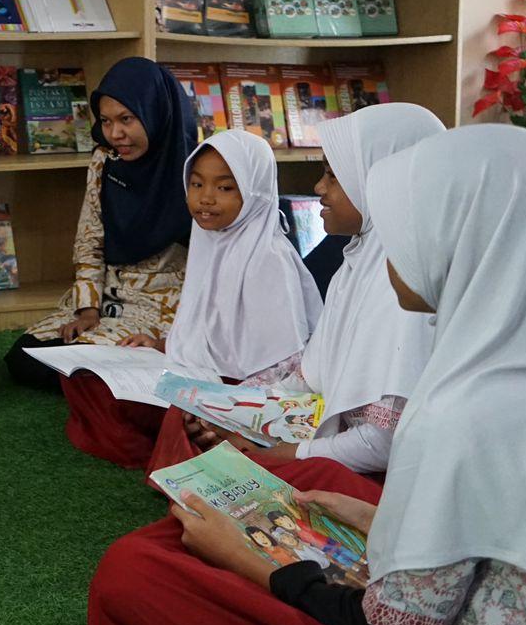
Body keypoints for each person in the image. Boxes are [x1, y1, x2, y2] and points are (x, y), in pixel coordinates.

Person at [89, 126, 526, 625]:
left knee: (134, 572)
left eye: (410, 230)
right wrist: (377, 518)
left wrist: (245, 560)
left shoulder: (462, 411)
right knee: (304, 488)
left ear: (462, 243)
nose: (392, 248)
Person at [152, 104, 441, 477]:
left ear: (379, 181)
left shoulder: (404, 289)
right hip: (320, 441)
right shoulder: (356, 265)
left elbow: (380, 445)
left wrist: (283, 454)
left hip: (371, 477)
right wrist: (229, 411)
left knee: (177, 521)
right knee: (189, 419)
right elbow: (304, 383)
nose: (319, 188)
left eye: (333, 176)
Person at [61, 130, 322, 467]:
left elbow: (286, 364)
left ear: (255, 193)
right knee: (85, 378)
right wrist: (161, 345)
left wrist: (222, 400)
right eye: (196, 184)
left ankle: (176, 445)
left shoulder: (269, 257)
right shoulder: (208, 239)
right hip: (197, 374)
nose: (206, 198)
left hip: (246, 389)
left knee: (185, 413)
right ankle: (166, 441)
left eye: (224, 187)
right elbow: (212, 328)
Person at [4, 58, 194, 391]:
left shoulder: (195, 170)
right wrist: (87, 310)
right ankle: (117, 377)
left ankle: (131, 373)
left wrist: (174, 338)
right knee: (25, 357)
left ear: (155, 111)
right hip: (108, 296)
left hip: (162, 308)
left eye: (127, 120)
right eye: (106, 121)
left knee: (87, 368)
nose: (115, 133)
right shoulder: (106, 160)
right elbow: (89, 241)